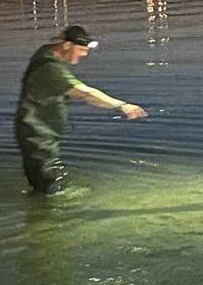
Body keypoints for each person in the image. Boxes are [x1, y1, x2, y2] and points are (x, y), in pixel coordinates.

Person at [14, 25, 147, 194]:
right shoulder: (51, 68)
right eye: (81, 50)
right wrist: (122, 106)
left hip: (36, 133)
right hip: (37, 135)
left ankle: (39, 211)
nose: (84, 54)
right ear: (67, 45)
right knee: (53, 189)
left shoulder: (45, 53)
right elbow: (87, 94)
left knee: (41, 187)